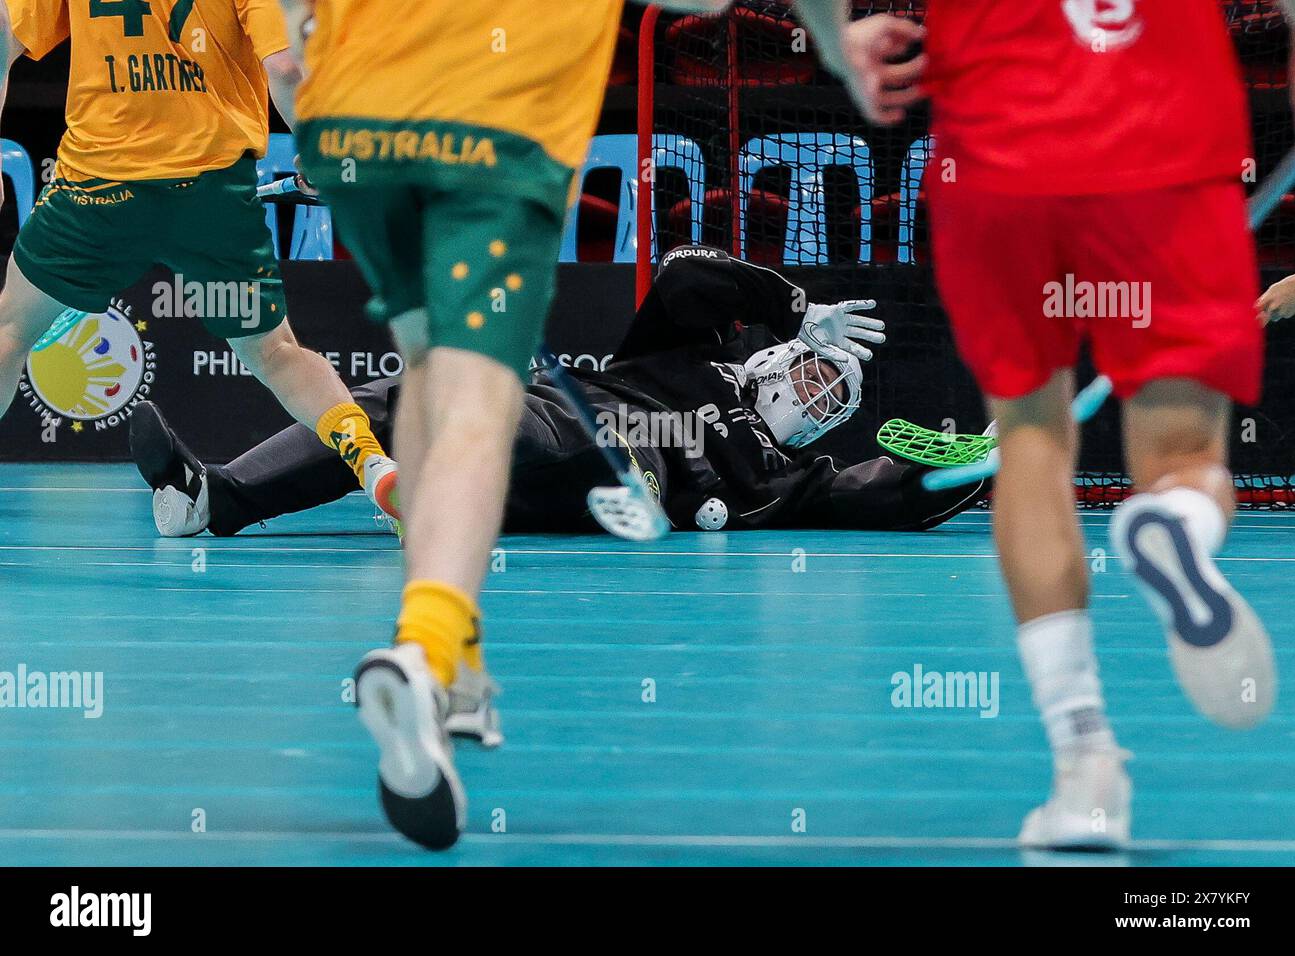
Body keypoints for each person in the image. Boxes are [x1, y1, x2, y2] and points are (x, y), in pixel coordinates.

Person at [277, 0, 907, 850]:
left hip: (360, 111)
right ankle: (425, 650)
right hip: (496, 128)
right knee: (470, 399)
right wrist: (837, 42)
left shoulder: (783, 472)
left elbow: (287, 41)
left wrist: (300, 78)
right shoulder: (698, 354)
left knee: (426, 371)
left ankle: (456, 662)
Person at [841, 0, 1282, 849]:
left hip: (997, 155)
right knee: (1187, 456)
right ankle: (1176, 521)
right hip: (1168, 146)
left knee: (1033, 441)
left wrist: (835, 39)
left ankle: (1086, 769)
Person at [128, 246, 988, 540]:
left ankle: (439, 486)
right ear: (772, 358)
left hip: (618, 479)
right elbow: (691, 275)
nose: (813, 393)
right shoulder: (682, 356)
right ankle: (211, 500)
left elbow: (861, 495)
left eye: (831, 399)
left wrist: (973, 472)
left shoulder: (775, 475)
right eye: (812, 367)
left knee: (528, 439)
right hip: (553, 408)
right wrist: (793, 307)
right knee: (407, 401)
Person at [0, 0, 396, 516]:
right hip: (210, 199)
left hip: (97, 192)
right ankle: (374, 467)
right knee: (276, 355)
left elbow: (4, 31)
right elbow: (285, 66)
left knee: (10, 331)